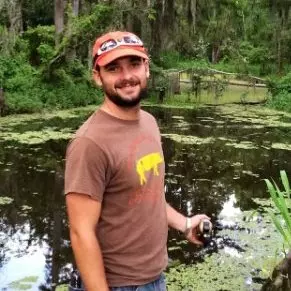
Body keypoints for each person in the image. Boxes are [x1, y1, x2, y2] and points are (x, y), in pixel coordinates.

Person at [65, 31, 211, 291]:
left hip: (155, 278)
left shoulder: (149, 123)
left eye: (134, 64)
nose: (127, 76)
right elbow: (80, 233)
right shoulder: (89, 143)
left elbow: (147, 194)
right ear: (97, 77)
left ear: (147, 68)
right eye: (113, 68)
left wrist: (185, 224)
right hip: (116, 285)